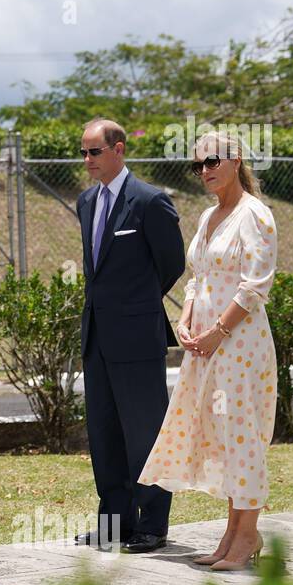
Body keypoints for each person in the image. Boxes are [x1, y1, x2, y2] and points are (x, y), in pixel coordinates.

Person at [138, 132, 277, 570]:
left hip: (240, 345)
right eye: (197, 165)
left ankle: (246, 534)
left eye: (212, 161)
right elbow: (198, 276)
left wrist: (218, 330)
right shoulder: (208, 215)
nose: (204, 171)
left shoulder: (255, 215)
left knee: (243, 437)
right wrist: (186, 317)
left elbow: (256, 285)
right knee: (222, 436)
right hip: (204, 346)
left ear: (237, 160)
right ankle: (233, 535)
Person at [74, 119, 186, 553]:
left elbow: (171, 263)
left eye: (94, 152)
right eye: (83, 153)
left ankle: (152, 524)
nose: (88, 161)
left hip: (137, 337)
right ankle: (114, 522)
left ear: (118, 150)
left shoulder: (150, 201)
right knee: (104, 432)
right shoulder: (86, 202)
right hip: (97, 336)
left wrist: (136, 305)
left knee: (145, 433)